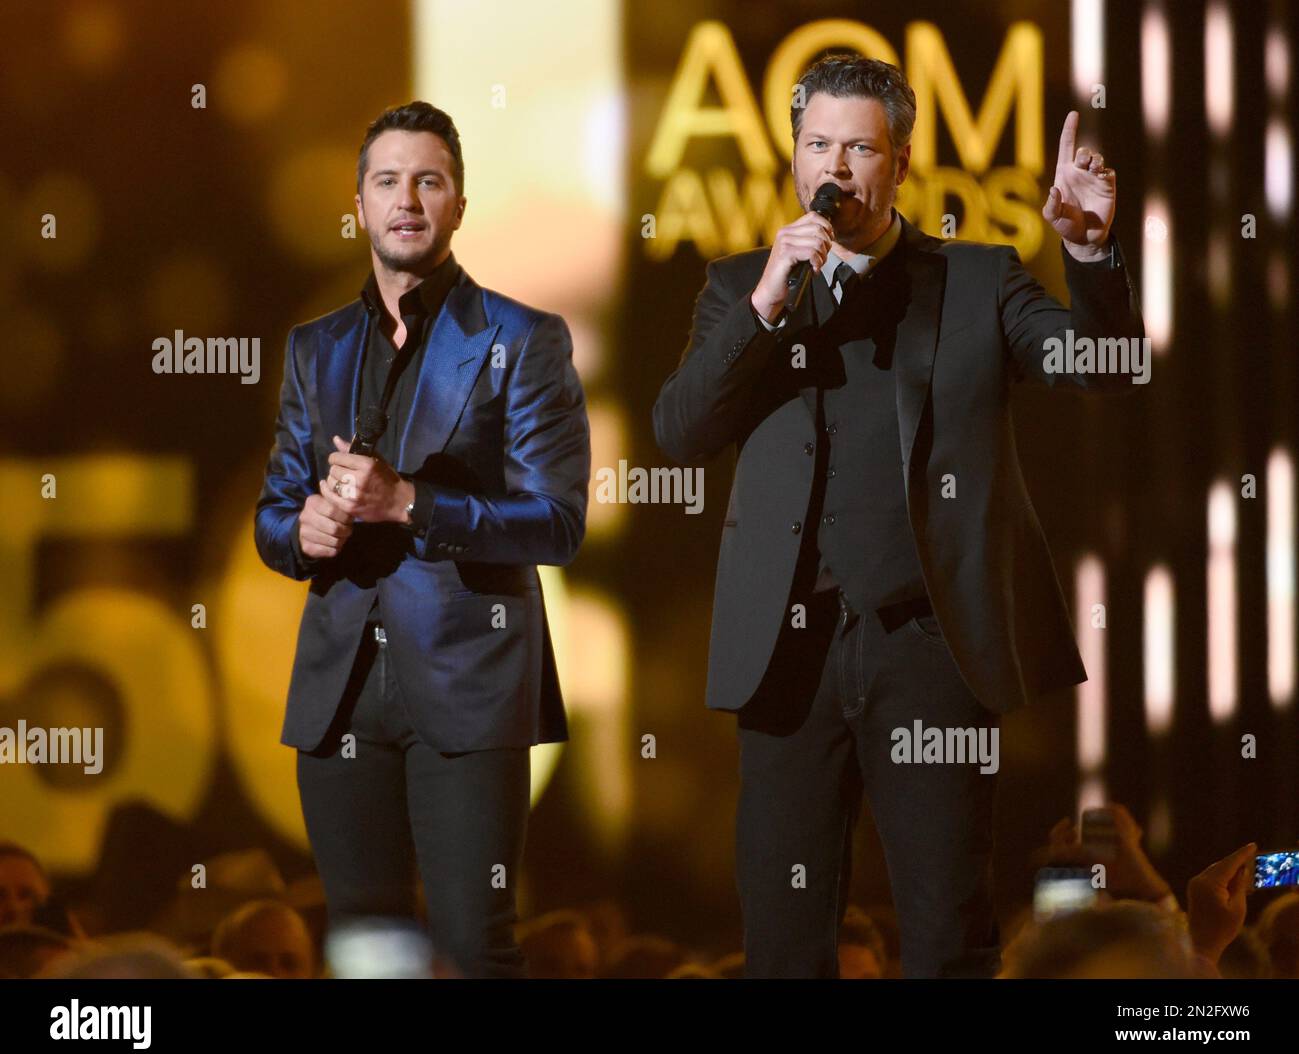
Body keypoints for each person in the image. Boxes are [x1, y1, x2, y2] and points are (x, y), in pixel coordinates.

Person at [653, 54, 1145, 977]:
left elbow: (1106, 370)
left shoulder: (978, 280)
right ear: (794, 158)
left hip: (929, 644)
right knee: (784, 932)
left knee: (943, 924)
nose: (834, 168)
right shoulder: (739, 287)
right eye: (816, 145)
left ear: (903, 163)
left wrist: (1087, 253)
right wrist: (764, 306)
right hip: (784, 652)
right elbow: (679, 433)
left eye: (859, 148)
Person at [254, 101, 590, 978]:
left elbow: (557, 521)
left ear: (458, 203)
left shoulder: (524, 338)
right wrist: (307, 527)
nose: (407, 198)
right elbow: (273, 517)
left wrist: (411, 501)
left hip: (467, 683)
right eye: (387, 181)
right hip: (341, 695)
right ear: (359, 204)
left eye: (428, 180)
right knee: (367, 954)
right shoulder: (315, 348)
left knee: (474, 946)